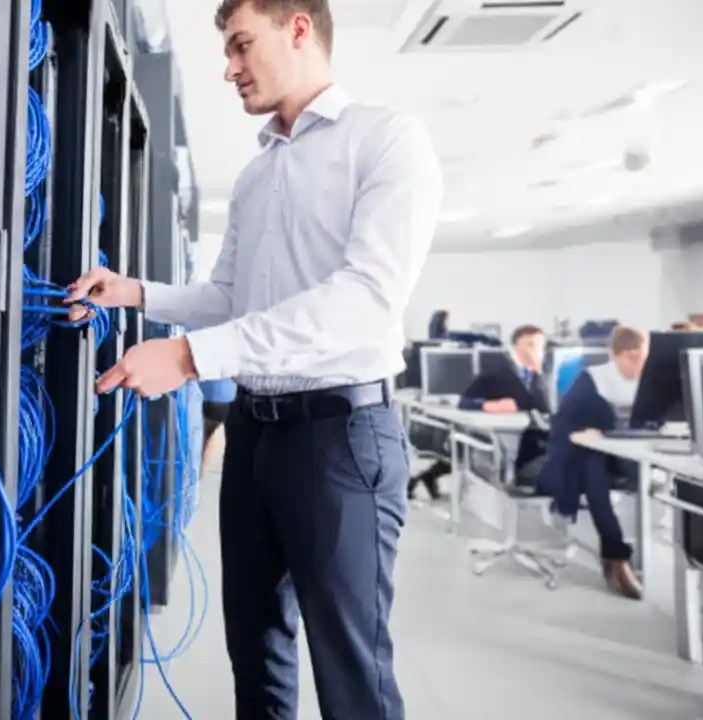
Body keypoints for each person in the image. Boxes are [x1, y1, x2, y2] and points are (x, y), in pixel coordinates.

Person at [63, 1, 442, 716]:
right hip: (256, 434)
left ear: (299, 28)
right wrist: (136, 294)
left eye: (241, 45)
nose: (230, 68)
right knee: (257, 650)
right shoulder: (256, 174)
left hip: (343, 437)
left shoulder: (386, 139)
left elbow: (362, 299)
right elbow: (232, 295)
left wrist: (188, 358)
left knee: (350, 668)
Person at [537, 325, 650, 600]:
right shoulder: (592, 380)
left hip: (622, 450)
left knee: (606, 471)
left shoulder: (650, 382)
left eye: (641, 359)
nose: (637, 365)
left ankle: (615, 556)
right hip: (578, 453)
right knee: (592, 472)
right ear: (617, 355)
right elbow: (567, 428)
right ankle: (617, 556)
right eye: (632, 358)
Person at [406, 324, 550, 499]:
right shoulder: (496, 367)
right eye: (531, 344)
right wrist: (489, 406)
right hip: (496, 433)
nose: (537, 351)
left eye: (540, 346)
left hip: (522, 431)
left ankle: (426, 477)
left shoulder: (535, 374)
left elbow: (543, 407)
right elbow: (465, 401)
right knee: (467, 452)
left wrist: (539, 372)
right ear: (517, 344)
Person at [199, 378, 237, 474]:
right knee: (210, 436)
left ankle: (195, 476)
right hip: (228, 396)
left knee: (201, 438)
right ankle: (199, 474)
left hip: (201, 393)